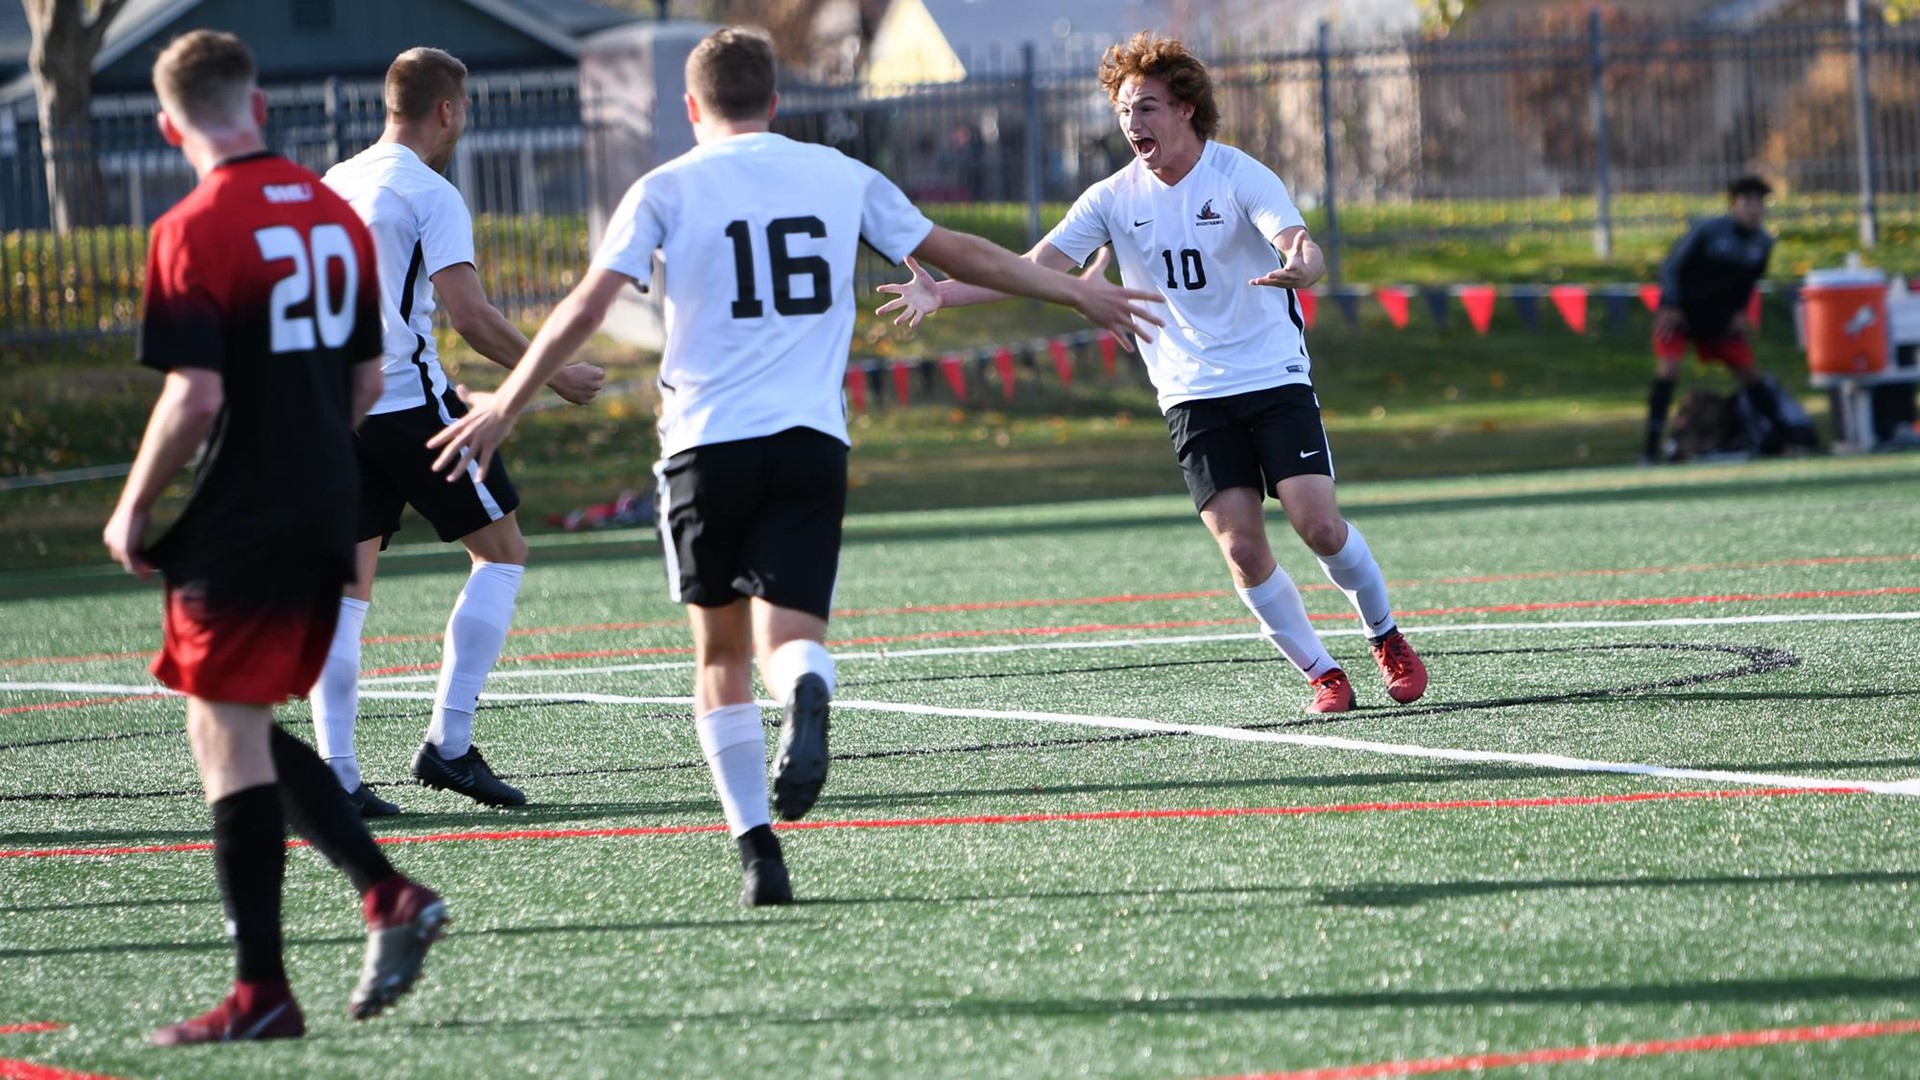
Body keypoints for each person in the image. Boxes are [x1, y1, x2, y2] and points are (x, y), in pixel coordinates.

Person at [426, 27, 1162, 907]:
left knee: (719, 656)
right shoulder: (837, 174)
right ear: (775, 101)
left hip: (704, 443)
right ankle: (810, 686)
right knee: (789, 642)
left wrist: (506, 404)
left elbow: (588, 304)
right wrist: (1072, 286)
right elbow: (948, 247)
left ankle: (756, 852)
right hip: (811, 442)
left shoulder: (665, 186)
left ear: (691, 108)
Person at [878, 32, 1425, 716]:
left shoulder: (1236, 176)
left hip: (1273, 374)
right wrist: (943, 294)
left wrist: (1304, 264)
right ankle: (1322, 672)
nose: (1132, 125)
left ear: (1186, 109)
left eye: (1146, 109)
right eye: (1124, 112)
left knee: (1318, 525)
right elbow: (1033, 266)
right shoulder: (1112, 198)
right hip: (1192, 392)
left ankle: (1386, 635)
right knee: (1241, 546)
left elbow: (1297, 243)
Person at [102, 30, 447, 1045]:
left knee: (225, 725)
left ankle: (281, 978)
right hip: (321, 496)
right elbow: (370, 375)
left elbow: (196, 393)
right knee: (228, 720)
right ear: (255, 107)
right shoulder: (334, 217)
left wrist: (131, 506)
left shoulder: (192, 227)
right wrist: (317, 459)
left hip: (242, 513)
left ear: (170, 125)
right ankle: (365, 909)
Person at [314, 47, 605, 816]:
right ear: (445, 110)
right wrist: (555, 373)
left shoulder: (329, 184)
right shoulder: (428, 192)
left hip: (336, 407)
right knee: (502, 553)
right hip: (410, 406)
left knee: (346, 593)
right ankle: (447, 747)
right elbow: (471, 317)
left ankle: (338, 774)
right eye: (464, 108)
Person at [1644, 175, 1782, 464]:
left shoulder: (1762, 243)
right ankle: (1650, 450)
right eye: (1747, 202)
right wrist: (1670, 304)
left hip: (1718, 320)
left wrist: (1740, 313)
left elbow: (1747, 284)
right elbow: (1672, 266)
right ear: (1733, 205)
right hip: (1681, 313)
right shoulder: (1708, 230)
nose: (1753, 208)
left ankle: (1781, 441)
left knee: (1749, 373)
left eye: (1758, 202)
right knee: (1668, 372)